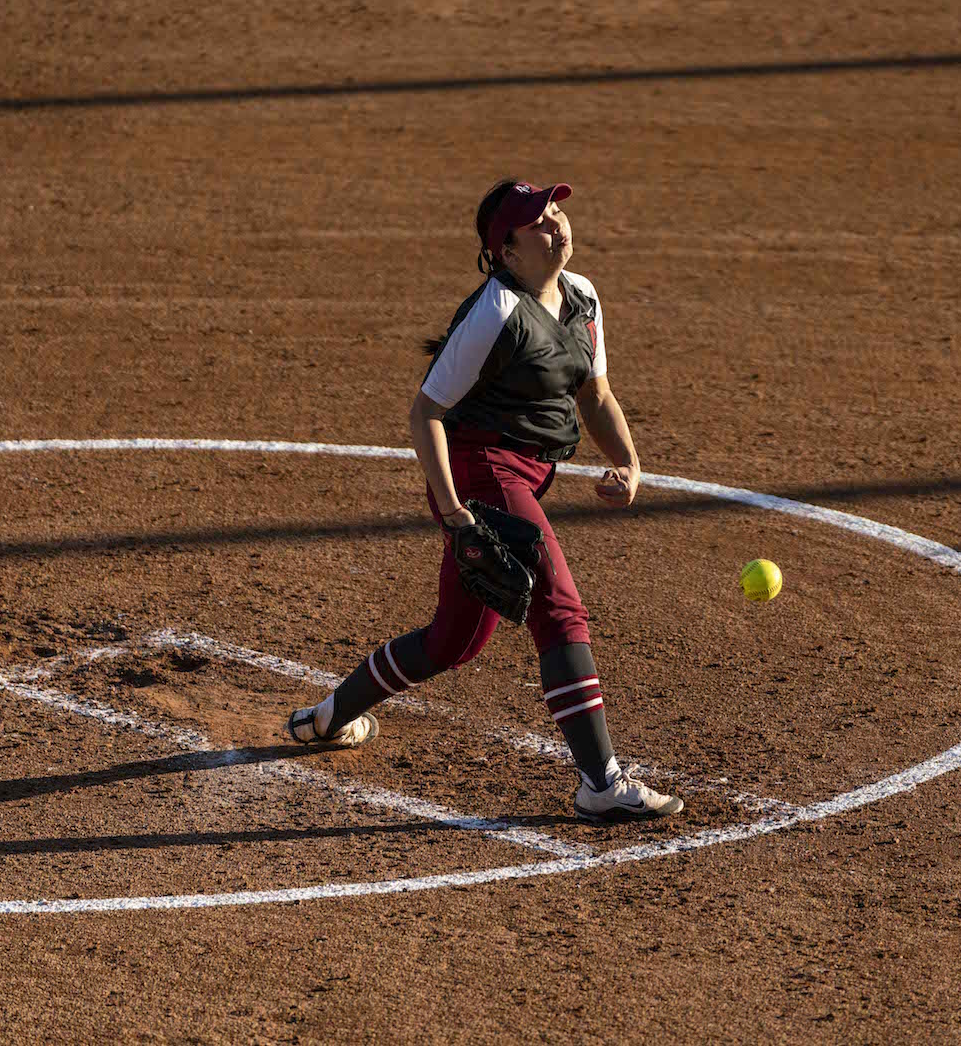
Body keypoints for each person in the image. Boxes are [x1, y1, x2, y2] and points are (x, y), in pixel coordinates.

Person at [286, 178, 683, 823]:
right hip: (481, 472)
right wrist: (454, 513)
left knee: (455, 640)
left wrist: (630, 464)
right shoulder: (494, 312)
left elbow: (595, 394)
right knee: (558, 608)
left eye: (555, 211)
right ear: (507, 250)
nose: (555, 223)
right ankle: (600, 783)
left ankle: (330, 717)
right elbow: (426, 413)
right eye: (537, 221)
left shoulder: (582, 296)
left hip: (526, 475)